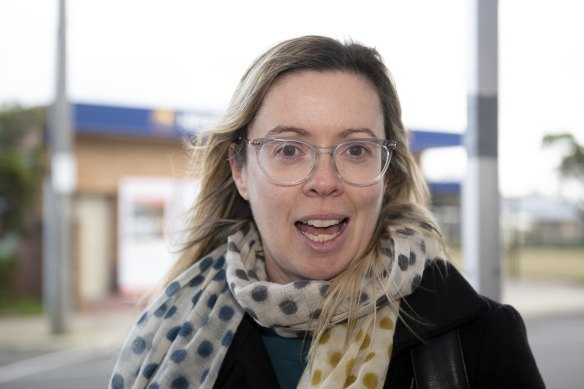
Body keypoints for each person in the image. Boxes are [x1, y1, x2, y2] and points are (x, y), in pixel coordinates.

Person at [110, 36, 545, 389]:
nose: (324, 180)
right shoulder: (170, 331)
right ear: (240, 171)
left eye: (356, 149)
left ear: (386, 173)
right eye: (289, 150)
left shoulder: (480, 341)